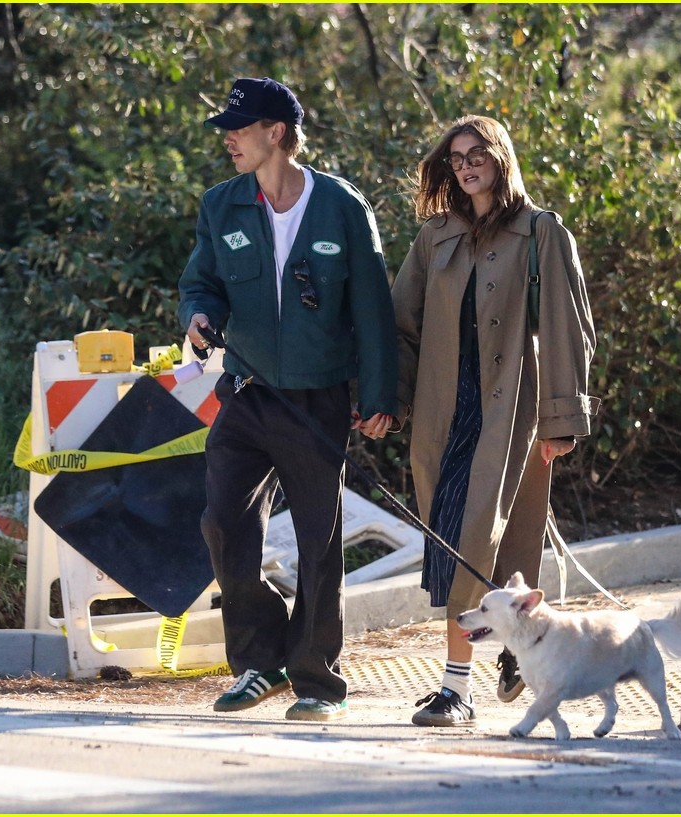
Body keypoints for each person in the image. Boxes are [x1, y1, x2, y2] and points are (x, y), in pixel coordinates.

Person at [178, 77, 398, 722]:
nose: (228, 139)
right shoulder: (222, 205)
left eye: (239, 129)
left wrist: (379, 393)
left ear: (276, 133)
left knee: (318, 541)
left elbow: (373, 310)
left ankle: (315, 681)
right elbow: (201, 283)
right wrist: (196, 315)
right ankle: (259, 661)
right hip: (245, 393)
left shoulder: (341, 207)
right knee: (223, 524)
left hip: (316, 400)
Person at [375, 114, 599, 726]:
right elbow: (402, 329)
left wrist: (560, 420)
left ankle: (458, 688)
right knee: (457, 538)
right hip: (445, 413)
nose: (466, 164)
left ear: (500, 158)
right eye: (456, 158)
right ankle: (508, 648)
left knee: (480, 537)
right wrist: (384, 402)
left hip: (513, 411)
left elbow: (567, 328)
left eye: (477, 154)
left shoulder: (541, 232)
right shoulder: (434, 237)